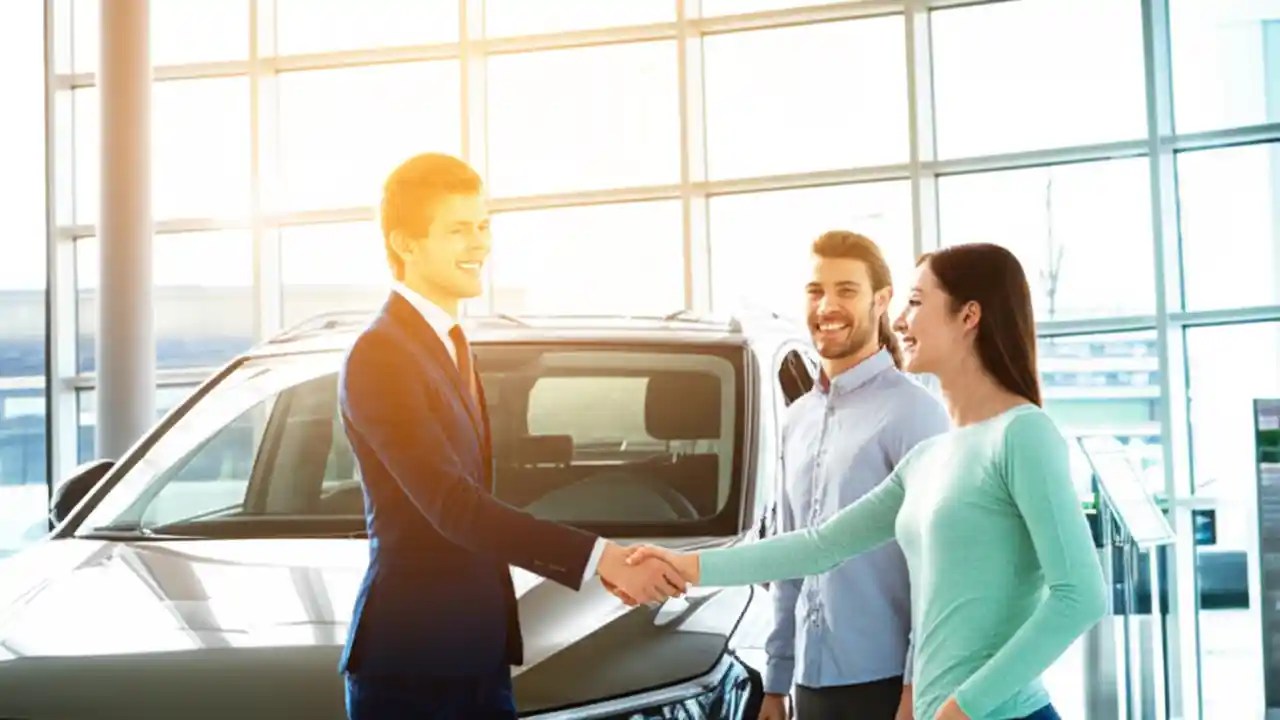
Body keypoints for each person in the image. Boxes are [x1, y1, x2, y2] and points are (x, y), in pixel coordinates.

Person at [629, 243, 1107, 720]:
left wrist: (962, 708)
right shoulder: (929, 457)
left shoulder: (1022, 433)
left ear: (969, 316)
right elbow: (820, 545)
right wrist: (685, 565)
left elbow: (1081, 597)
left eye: (916, 302)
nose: (899, 322)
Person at [337, 152, 684, 719]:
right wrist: (600, 558)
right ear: (406, 244)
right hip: (413, 667)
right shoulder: (381, 355)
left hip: (474, 654)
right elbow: (453, 505)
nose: (479, 244)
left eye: (482, 226)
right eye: (457, 230)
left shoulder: (449, 343)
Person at [760, 231, 949, 720]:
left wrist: (915, 690)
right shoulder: (797, 419)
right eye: (815, 290)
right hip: (809, 682)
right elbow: (788, 559)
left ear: (882, 300)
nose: (827, 306)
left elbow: (935, 572)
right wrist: (776, 683)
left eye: (846, 290)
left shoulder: (915, 414)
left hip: (887, 686)